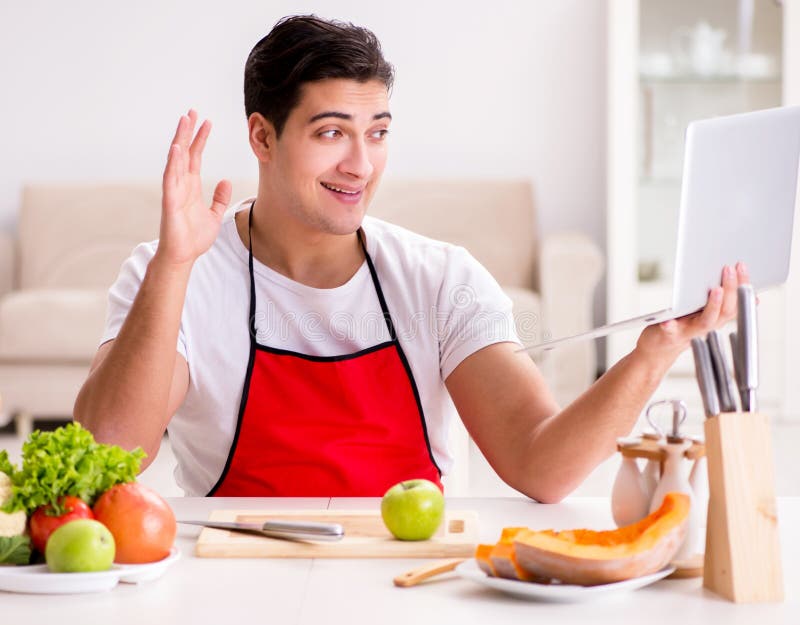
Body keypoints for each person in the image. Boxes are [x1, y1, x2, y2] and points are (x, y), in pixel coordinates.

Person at [73, 15, 746, 501]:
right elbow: (104, 458)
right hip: (238, 576)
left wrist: (656, 350)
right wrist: (172, 266)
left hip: (407, 573)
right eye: (331, 131)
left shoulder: (440, 279)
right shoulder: (178, 273)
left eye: (377, 132)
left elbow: (542, 463)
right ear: (262, 136)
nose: (360, 164)